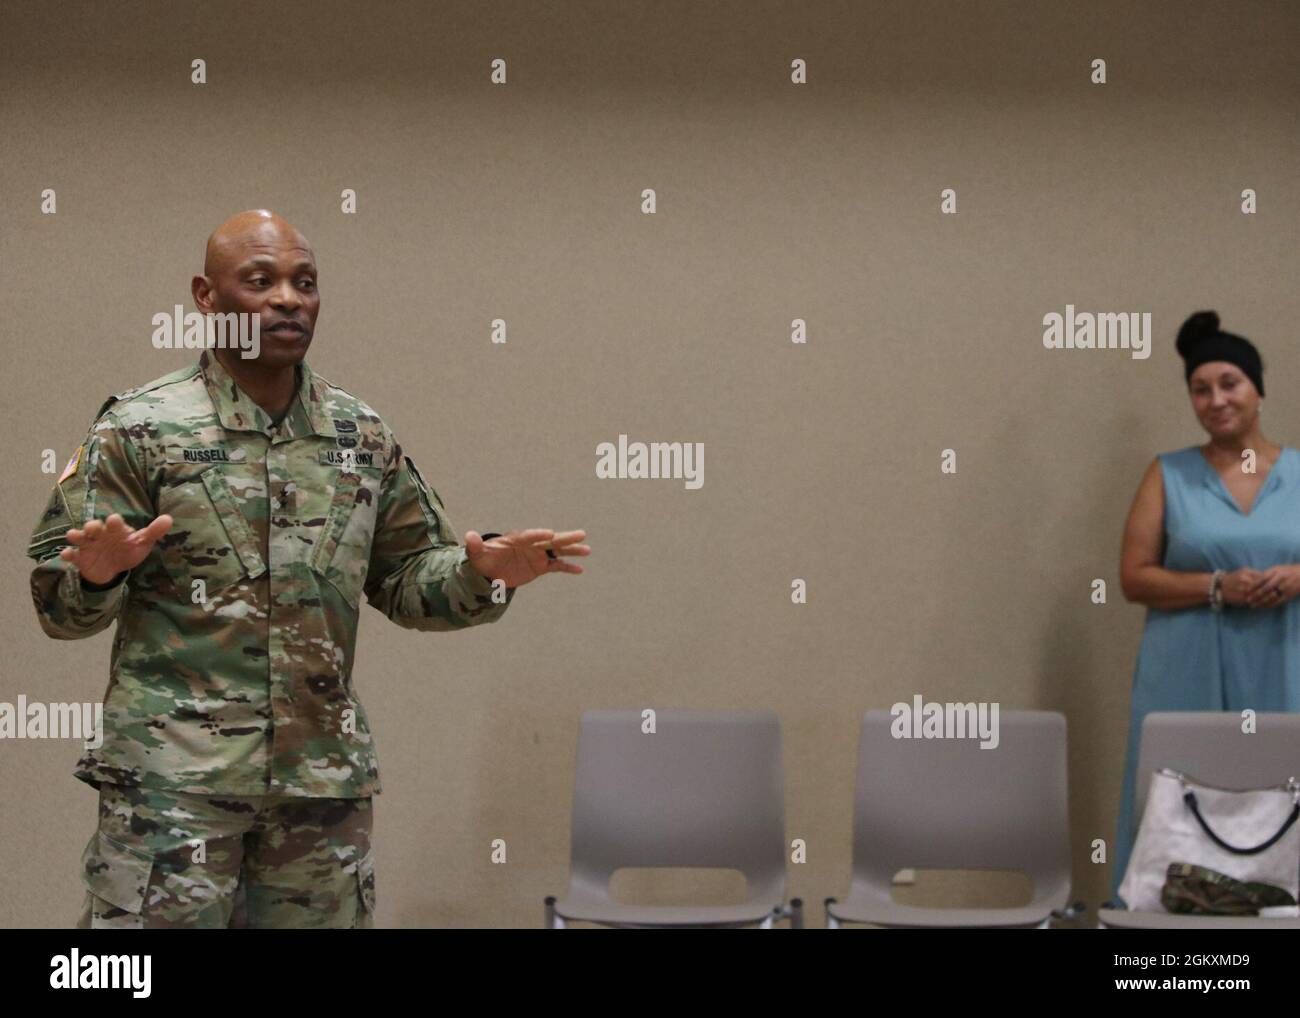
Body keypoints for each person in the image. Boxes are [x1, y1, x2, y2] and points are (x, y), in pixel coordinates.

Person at [26, 209, 590, 928]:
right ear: (206, 297)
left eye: (305, 282)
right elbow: (57, 606)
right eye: (261, 281)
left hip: (319, 789)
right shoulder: (139, 430)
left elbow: (410, 580)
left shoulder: (359, 436)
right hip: (173, 791)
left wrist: (483, 574)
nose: (288, 299)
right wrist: (98, 575)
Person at [1112, 310, 1300, 904]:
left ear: (1258, 389)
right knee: (1178, 804)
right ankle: (1166, 955)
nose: (1216, 399)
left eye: (1230, 383)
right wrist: (1218, 587)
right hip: (1187, 665)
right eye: (1201, 388)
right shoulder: (1169, 474)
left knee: (1282, 798)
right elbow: (1133, 578)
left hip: (1285, 661)